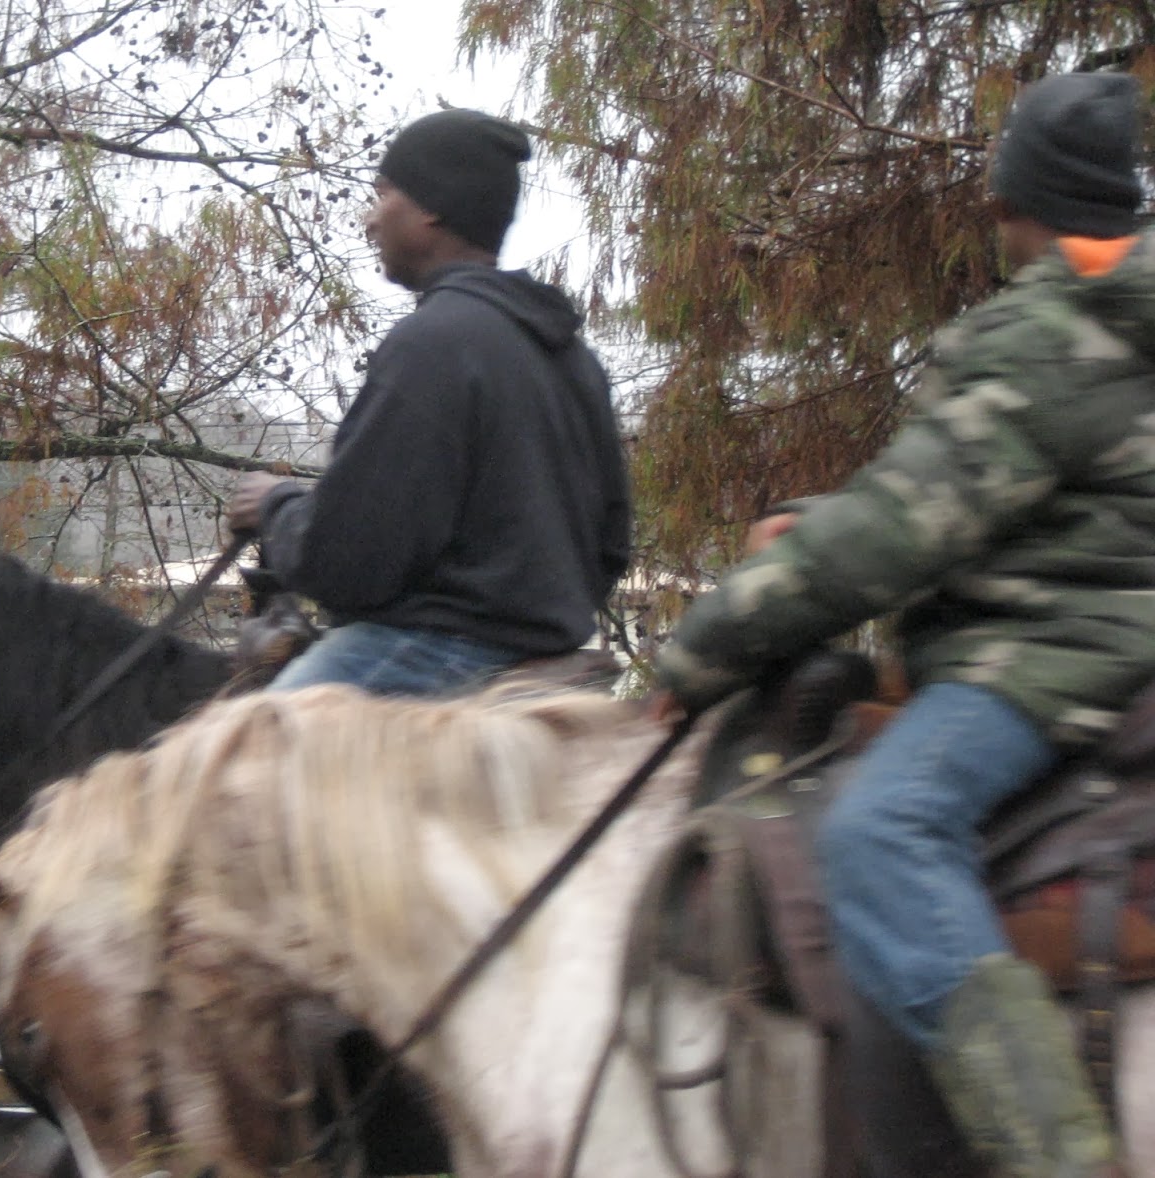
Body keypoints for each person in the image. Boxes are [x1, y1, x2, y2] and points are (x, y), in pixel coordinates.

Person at [650, 71, 1147, 1178]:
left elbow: (894, 539)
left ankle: (1057, 1149)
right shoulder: (1129, 317)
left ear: (1014, 193)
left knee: (877, 832)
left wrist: (700, 646)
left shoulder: (1047, 331)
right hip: (1117, 624)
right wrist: (826, 517)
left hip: (1053, 657)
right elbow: (1054, 496)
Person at [226, 108, 632, 696]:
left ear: (431, 207)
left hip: (430, 653)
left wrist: (277, 506)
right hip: (552, 652)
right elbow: (612, 541)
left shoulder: (432, 344)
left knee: (242, 767)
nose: (370, 219)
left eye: (383, 194)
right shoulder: (573, 358)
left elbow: (348, 563)